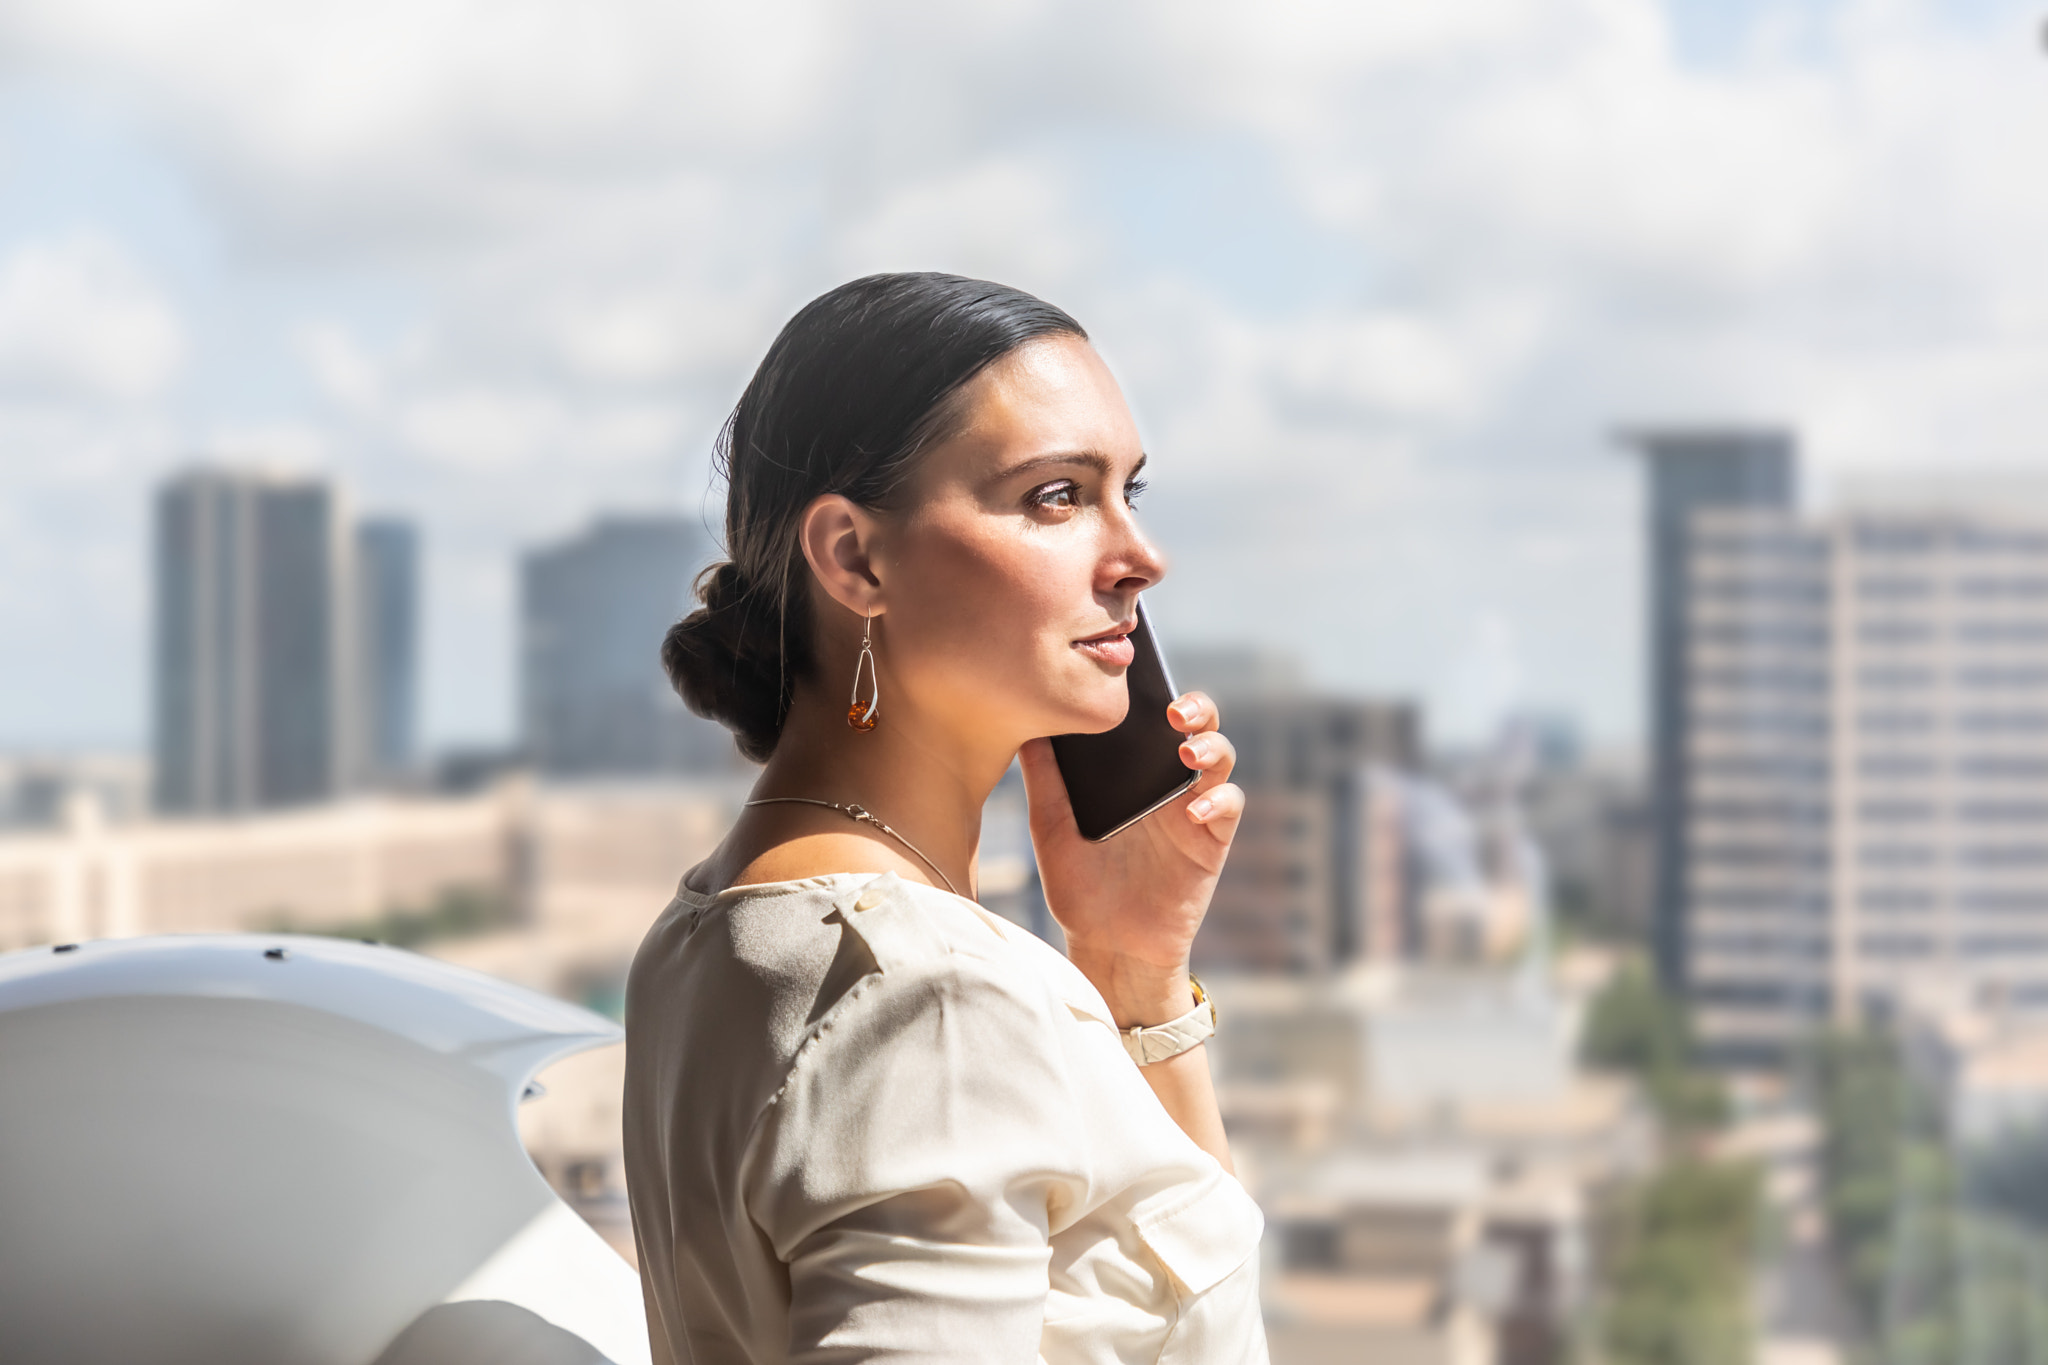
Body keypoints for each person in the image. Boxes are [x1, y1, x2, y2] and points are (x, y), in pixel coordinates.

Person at [624, 272, 1267, 1364]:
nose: (1137, 559)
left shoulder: (708, 930)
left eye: (1128, 493)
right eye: (1056, 497)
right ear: (854, 558)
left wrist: (1131, 967)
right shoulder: (933, 997)